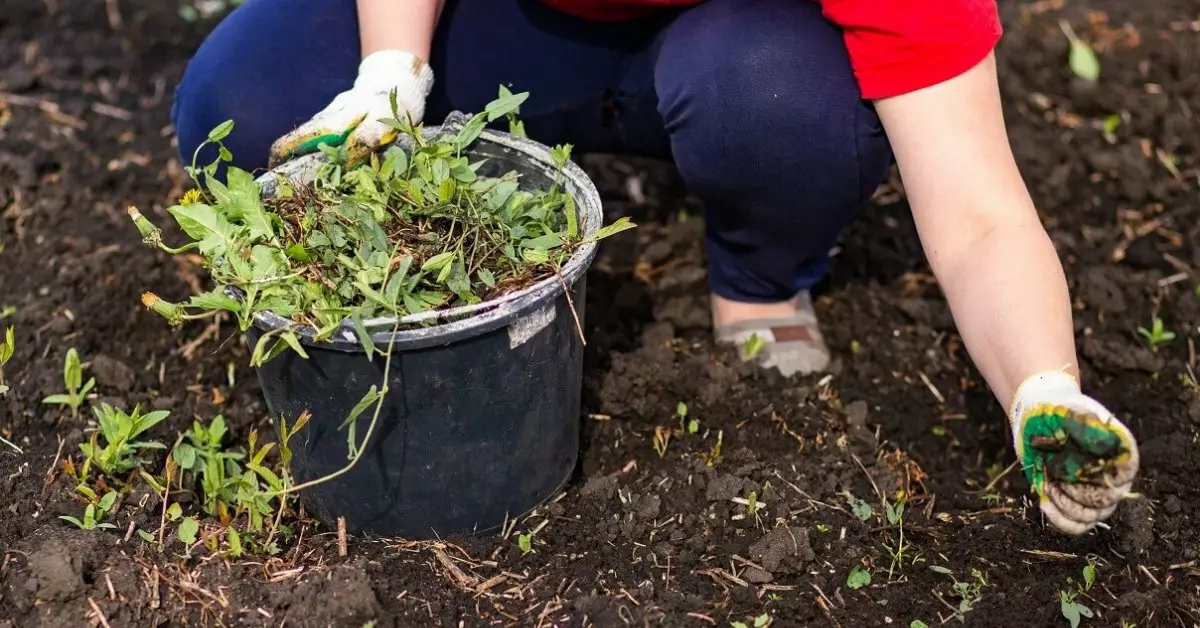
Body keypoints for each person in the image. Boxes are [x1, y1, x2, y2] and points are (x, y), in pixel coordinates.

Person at [172, 0, 1139, 536]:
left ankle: (760, 278)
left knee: (775, 105)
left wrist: (1042, 387)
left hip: (741, 50)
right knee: (245, 106)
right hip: (514, 25)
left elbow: (979, 217)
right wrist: (391, 75)